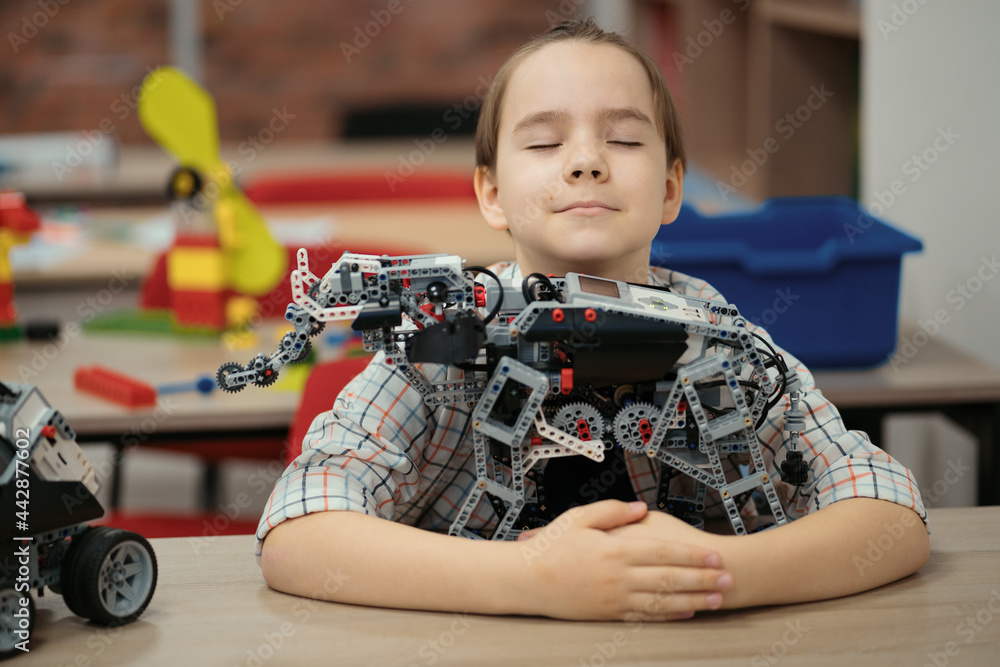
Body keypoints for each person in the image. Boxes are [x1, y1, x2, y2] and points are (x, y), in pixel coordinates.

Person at [258, 17, 929, 622]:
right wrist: (532, 578)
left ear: (671, 190)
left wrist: (713, 572)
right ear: (492, 193)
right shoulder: (443, 342)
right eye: (546, 142)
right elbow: (297, 533)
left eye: (626, 138)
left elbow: (892, 513)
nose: (586, 161)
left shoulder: (723, 343)